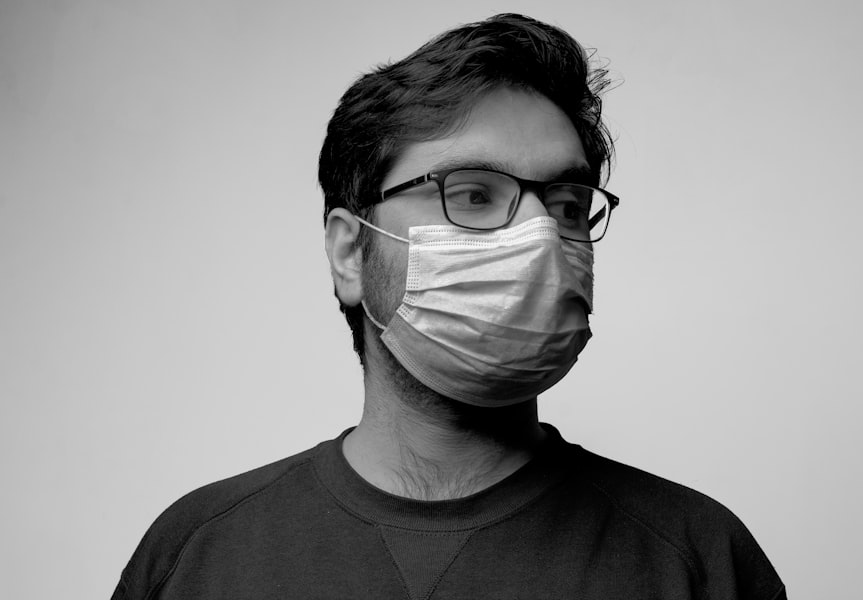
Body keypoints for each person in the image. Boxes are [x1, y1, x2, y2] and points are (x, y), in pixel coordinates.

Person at [112, 13, 786, 599]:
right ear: (350, 253)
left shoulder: (699, 560)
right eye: (471, 195)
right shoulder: (197, 554)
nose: (540, 237)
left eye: (567, 205)